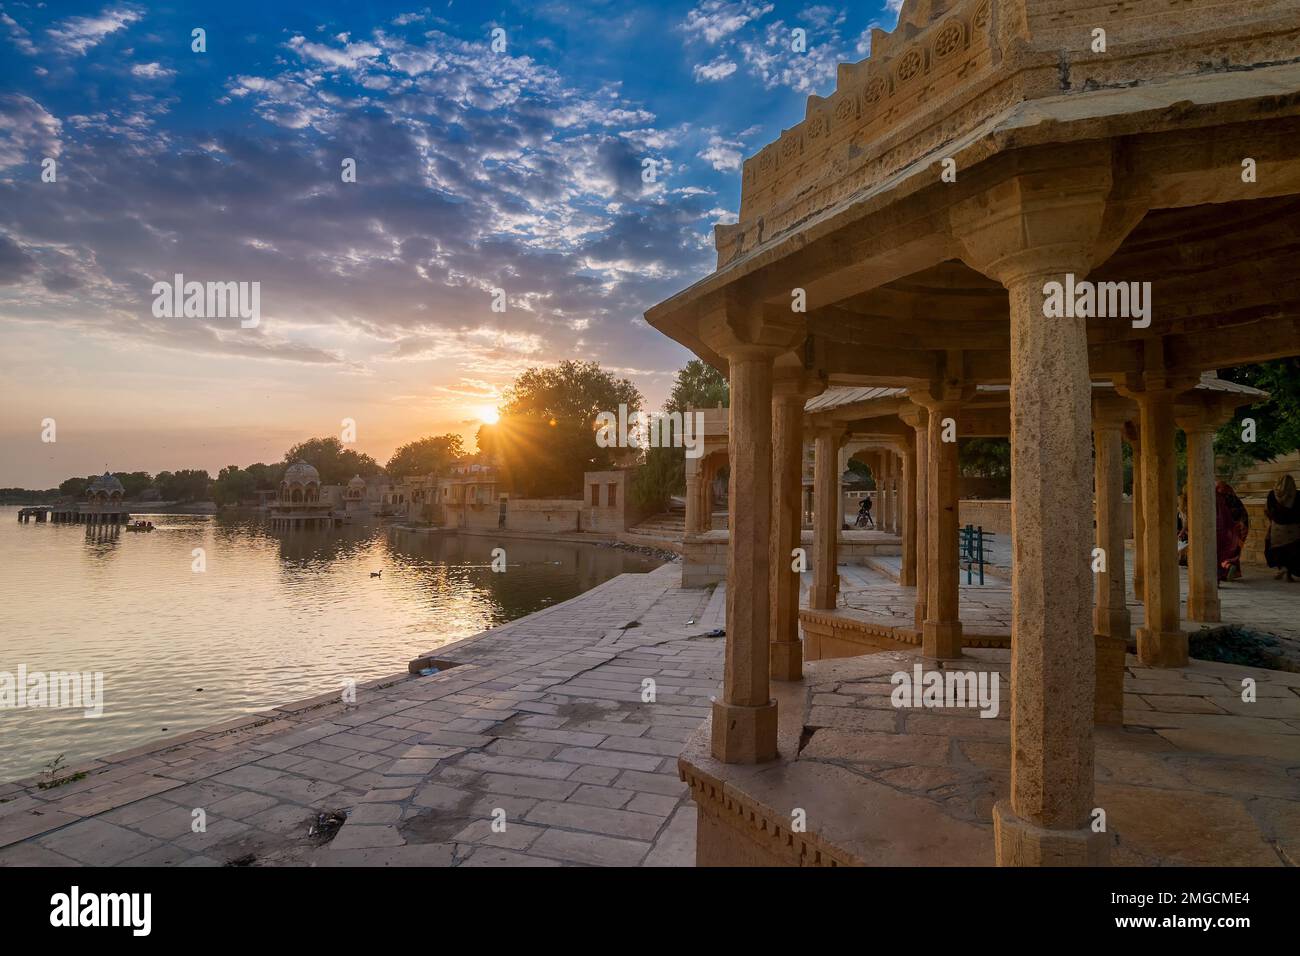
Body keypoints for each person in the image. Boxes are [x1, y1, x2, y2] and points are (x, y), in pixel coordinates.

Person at [1265, 473, 1300, 582]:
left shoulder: (1272, 494)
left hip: (1277, 528)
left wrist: (1273, 520)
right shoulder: (1297, 495)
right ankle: (1288, 574)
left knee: (1277, 549)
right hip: (1293, 529)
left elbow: (1268, 510)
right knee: (1293, 550)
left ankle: (1282, 568)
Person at [1215, 480, 1250, 581]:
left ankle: (1226, 569)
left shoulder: (1220, 499)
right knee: (1233, 551)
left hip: (1228, 529)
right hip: (1237, 528)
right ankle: (1229, 569)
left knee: (1223, 553)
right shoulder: (1232, 498)